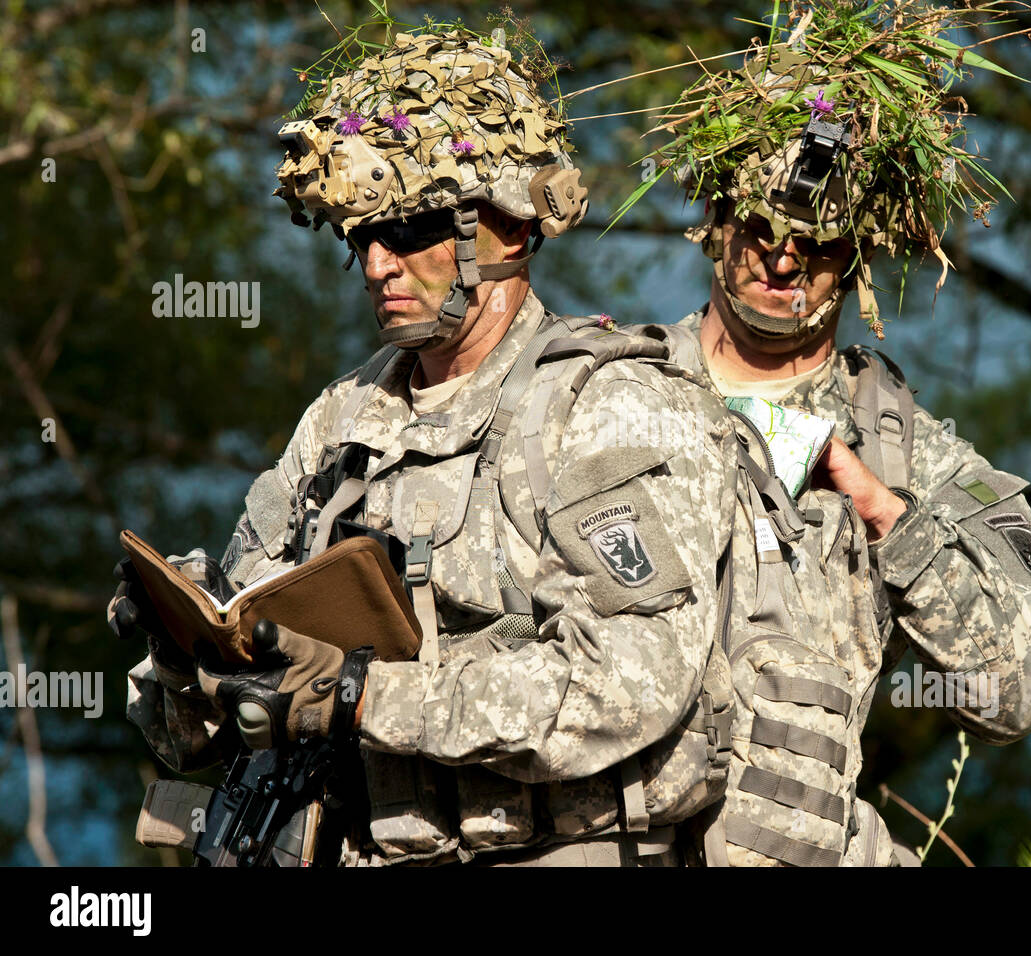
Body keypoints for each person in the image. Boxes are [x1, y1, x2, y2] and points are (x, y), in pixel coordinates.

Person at [116, 25, 739, 867]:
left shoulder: (608, 406)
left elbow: (632, 681)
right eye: (358, 238)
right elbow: (198, 732)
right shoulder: (340, 424)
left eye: (407, 230)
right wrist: (184, 654)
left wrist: (366, 698)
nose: (376, 264)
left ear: (508, 232)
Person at [623, 4, 1031, 865]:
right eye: (759, 227)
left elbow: (1027, 687)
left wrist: (886, 516)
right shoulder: (613, 391)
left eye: (816, 242)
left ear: (859, 255)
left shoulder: (905, 448)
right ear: (717, 222)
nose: (781, 261)